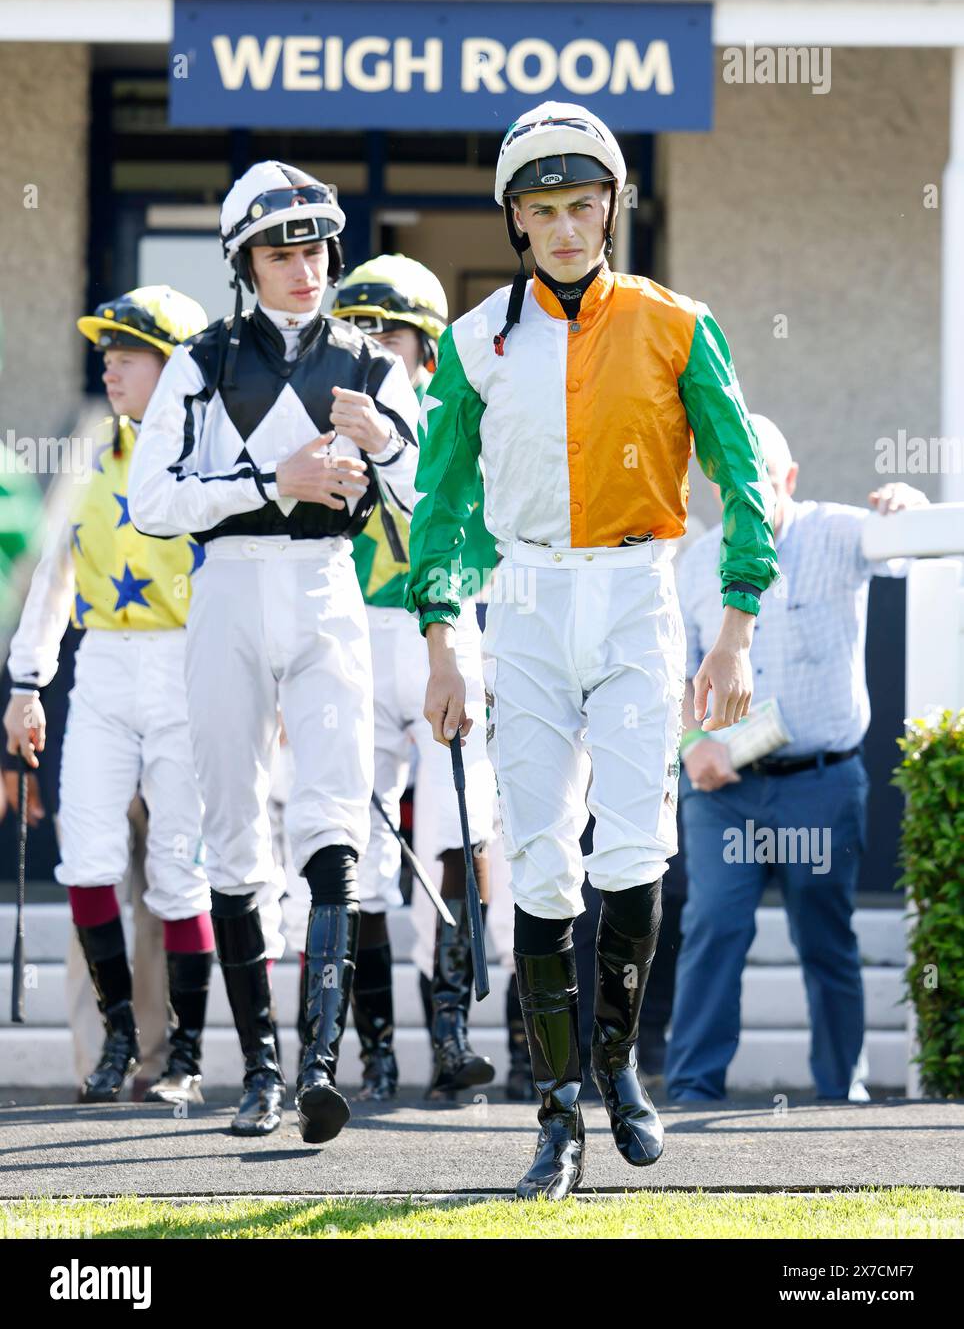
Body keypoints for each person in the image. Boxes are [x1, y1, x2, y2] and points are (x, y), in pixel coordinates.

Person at [405, 101, 779, 1198]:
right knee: (541, 861)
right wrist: (442, 641)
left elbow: (742, 479)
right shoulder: (470, 341)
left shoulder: (678, 322)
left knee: (631, 849)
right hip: (517, 606)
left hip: (634, 595)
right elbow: (438, 506)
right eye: (542, 209)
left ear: (613, 207)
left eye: (582, 205)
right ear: (515, 220)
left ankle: (618, 1073)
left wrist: (737, 627)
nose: (565, 227)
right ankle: (556, 1112)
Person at [128, 162, 421, 1142]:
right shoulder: (200, 360)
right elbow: (153, 504)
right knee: (233, 817)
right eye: (280, 254)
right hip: (228, 588)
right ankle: (256, 1068)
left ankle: (318, 1066)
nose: (304, 270)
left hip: (328, 589)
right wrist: (270, 479)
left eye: (315, 252)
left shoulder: (372, 364)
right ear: (243, 263)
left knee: (334, 817)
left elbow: (431, 508)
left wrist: (382, 444)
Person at [666, 415, 926, 1105]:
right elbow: (679, 675)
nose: (742, 493)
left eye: (758, 479)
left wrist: (909, 507)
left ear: (789, 479)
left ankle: (843, 1093)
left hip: (821, 781)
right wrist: (695, 748)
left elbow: (914, 551)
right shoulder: (695, 562)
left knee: (825, 935)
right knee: (714, 927)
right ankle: (692, 1090)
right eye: (729, 481)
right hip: (726, 791)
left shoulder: (839, 532)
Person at [3, 286, 216, 1105]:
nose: (109, 365)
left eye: (128, 354)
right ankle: (121, 1032)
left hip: (189, 670)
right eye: (107, 352)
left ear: (176, 367)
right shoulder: (91, 447)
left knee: (177, 874)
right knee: (87, 859)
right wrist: (27, 684)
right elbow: (53, 575)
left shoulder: (216, 452)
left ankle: (186, 1057)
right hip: (99, 670)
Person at [331, 254, 499, 1101]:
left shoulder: (453, 421)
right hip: (354, 637)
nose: (371, 347)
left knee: (451, 840)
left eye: (388, 332)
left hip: (441, 635)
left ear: (427, 348)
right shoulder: (328, 420)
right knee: (354, 848)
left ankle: (452, 1040)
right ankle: (376, 1053)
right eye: (356, 330)